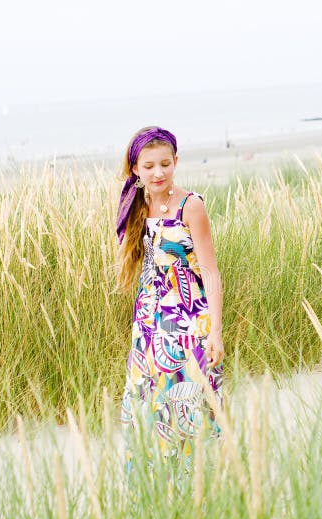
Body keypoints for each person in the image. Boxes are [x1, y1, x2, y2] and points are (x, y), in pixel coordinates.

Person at [116, 126, 225, 467]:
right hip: (149, 323)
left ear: (176, 162)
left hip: (190, 320)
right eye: (148, 166)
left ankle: (196, 486)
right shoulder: (137, 204)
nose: (158, 172)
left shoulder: (191, 206)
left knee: (191, 403)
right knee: (147, 402)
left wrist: (217, 330)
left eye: (165, 163)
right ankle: (155, 486)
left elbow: (210, 270)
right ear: (135, 169)